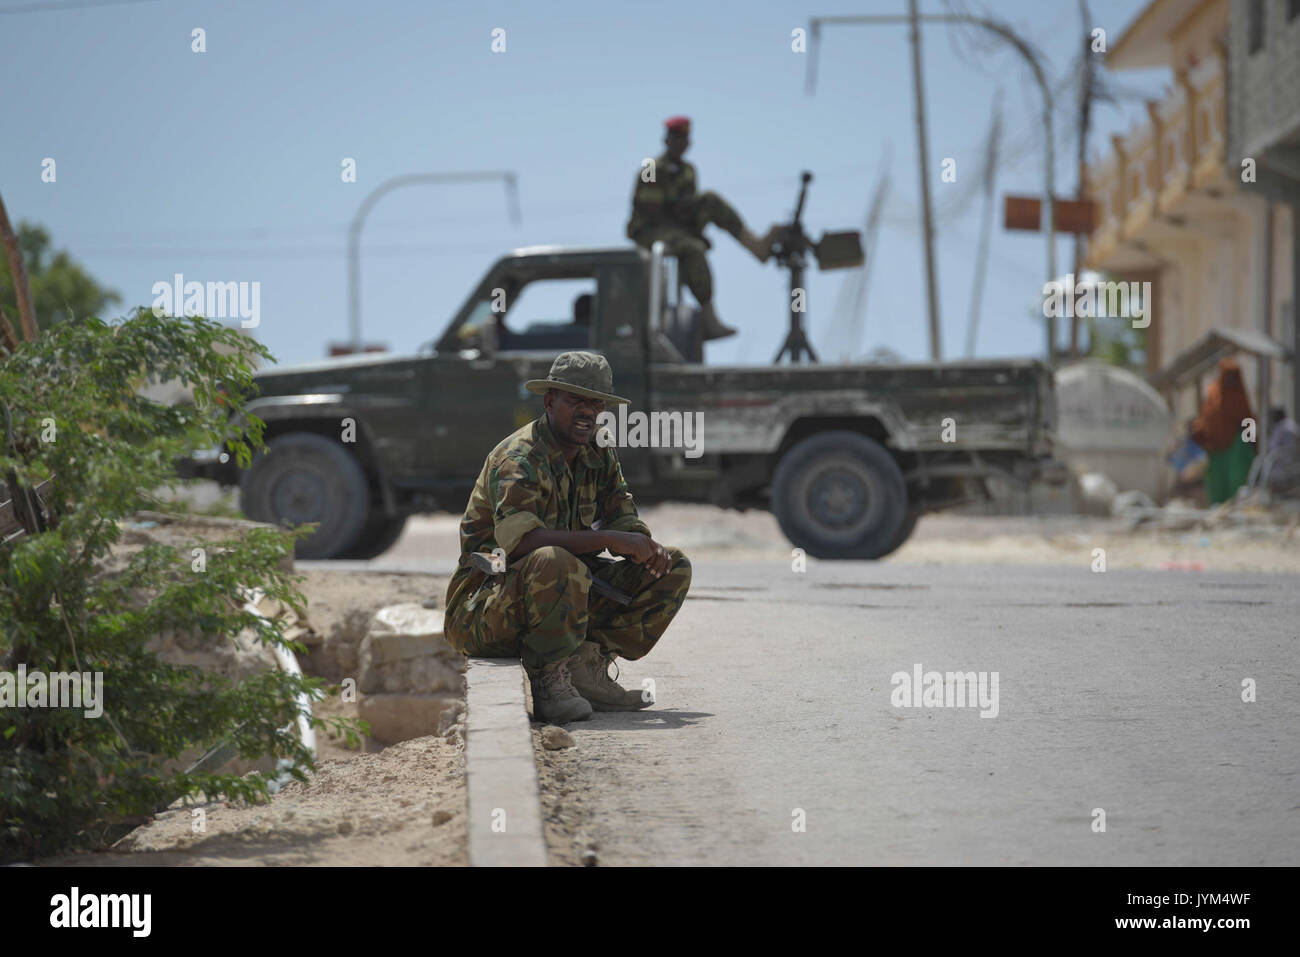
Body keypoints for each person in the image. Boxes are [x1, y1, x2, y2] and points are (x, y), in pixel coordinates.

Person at [443, 351, 692, 723]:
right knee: (554, 559)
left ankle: (584, 667)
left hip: (563, 594)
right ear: (549, 401)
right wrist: (607, 539)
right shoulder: (519, 457)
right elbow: (522, 545)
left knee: (673, 566)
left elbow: (622, 513)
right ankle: (549, 681)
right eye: (576, 400)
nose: (587, 412)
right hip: (486, 606)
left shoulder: (599, 449)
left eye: (596, 403)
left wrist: (640, 543)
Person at [626, 115, 779, 341]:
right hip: (649, 230)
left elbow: (687, 211)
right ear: (667, 140)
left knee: (710, 200)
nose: (681, 144)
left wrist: (694, 229)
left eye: (684, 139)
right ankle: (709, 318)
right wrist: (691, 234)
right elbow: (652, 213)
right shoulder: (652, 168)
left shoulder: (688, 171)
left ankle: (755, 245)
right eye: (676, 138)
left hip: (677, 228)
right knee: (692, 248)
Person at [1190, 356, 1256, 505]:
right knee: (1216, 480)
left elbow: (1248, 419)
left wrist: (1252, 442)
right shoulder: (1214, 393)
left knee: (1237, 478)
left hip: (1236, 445)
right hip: (1215, 447)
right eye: (1228, 375)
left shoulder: (1240, 395)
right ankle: (1217, 508)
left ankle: (1235, 508)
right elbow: (1206, 417)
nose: (1231, 379)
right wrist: (1200, 431)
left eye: (1234, 375)